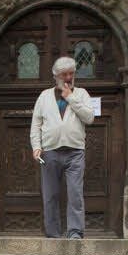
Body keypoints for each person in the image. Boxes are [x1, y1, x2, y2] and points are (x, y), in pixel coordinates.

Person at [30, 56, 95, 240]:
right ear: (56, 76)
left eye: (71, 74)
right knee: (50, 194)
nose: (68, 78)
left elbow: (89, 118)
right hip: (50, 151)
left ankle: (75, 232)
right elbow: (36, 124)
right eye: (64, 74)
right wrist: (36, 146)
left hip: (75, 151)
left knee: (75, 193)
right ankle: (53, 233)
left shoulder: (81, 94)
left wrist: (71, 98)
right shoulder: (44, 96)